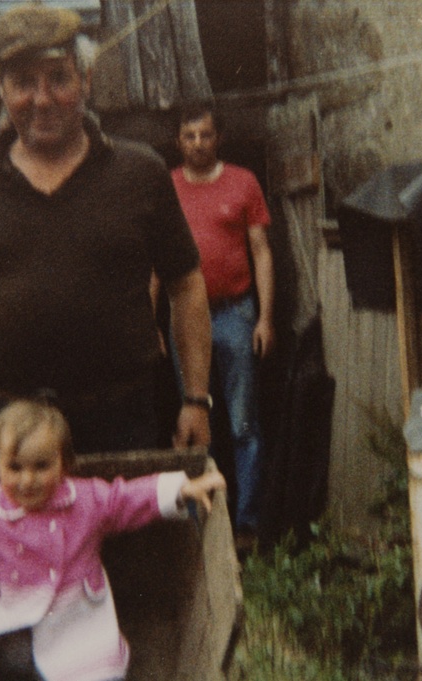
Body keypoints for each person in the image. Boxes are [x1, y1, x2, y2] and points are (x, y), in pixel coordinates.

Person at [0, 3, 212, 466]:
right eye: (23, 82)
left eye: (58, 78)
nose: (42, 99)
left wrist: (195, 399)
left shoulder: (141, 172)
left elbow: (186, 283)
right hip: (3, 430)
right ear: (1, 89)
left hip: (119, 423)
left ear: (86, 80)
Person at [0, 398, 226, 681]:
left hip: (69, 625)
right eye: (14, 467)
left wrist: (179, 489)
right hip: (4, 629)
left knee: (89, 669)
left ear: (64, 465)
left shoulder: (85, 500)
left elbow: (126, 498)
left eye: (41, 466)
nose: (27, 480)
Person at [170, 103, 275, 550]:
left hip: (236, 314)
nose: (198, 143)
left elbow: (261, 252)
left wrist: (265, 318)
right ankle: (205, 526)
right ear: (179, 140)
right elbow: (156, 261)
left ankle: (247, 527)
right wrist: (151, 320)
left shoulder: (243, 182)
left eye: (205, 135)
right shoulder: (168, 187)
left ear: (219, 138)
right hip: (186, 319)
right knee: (195, 423)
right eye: (189, 135)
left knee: (243, 423)